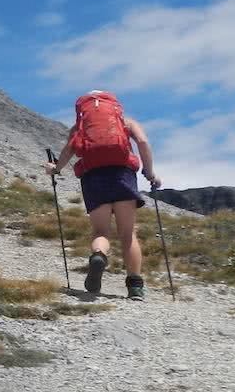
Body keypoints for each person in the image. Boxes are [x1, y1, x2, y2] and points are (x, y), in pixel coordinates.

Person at [45, 91, 161, 300]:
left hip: (93, 178)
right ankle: (135, 286)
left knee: (101, 231)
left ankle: (99, 255)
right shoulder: (126, 122)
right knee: (127, 234)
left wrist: (56, 168)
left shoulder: (79, 128)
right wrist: (150, 173)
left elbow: (69, 151)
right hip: (123, 175)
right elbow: (143, 142)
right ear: (114, 105)